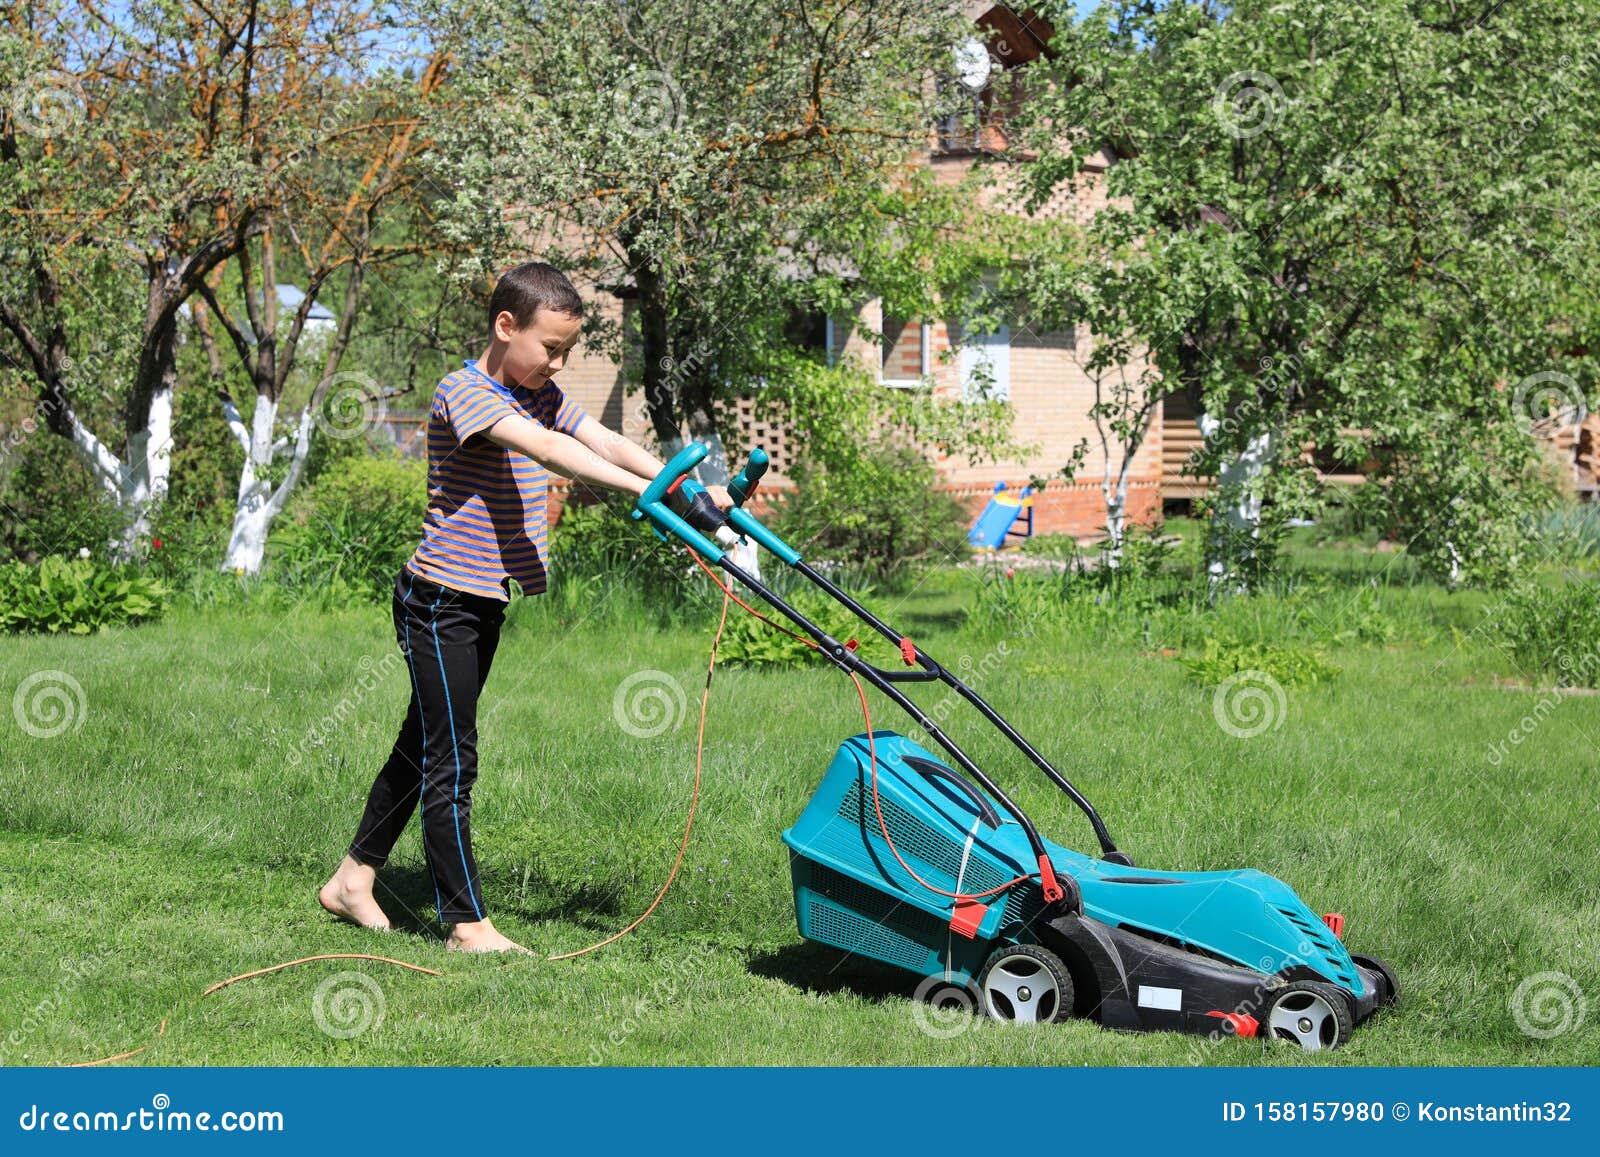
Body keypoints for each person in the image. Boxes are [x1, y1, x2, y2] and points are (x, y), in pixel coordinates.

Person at [317, 261, 732, 953]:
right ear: (506, 326)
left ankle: (352, 880)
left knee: (422, 744)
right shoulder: (467, 391)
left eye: (568, 350)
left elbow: (598, 437)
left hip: (481, 602)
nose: (558, 362)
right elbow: (550, 449)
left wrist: (683, 485)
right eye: (551, 347)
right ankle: (466, 923)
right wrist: (647, 494)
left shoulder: (537, 389)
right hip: (439, 600)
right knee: (453, 758)